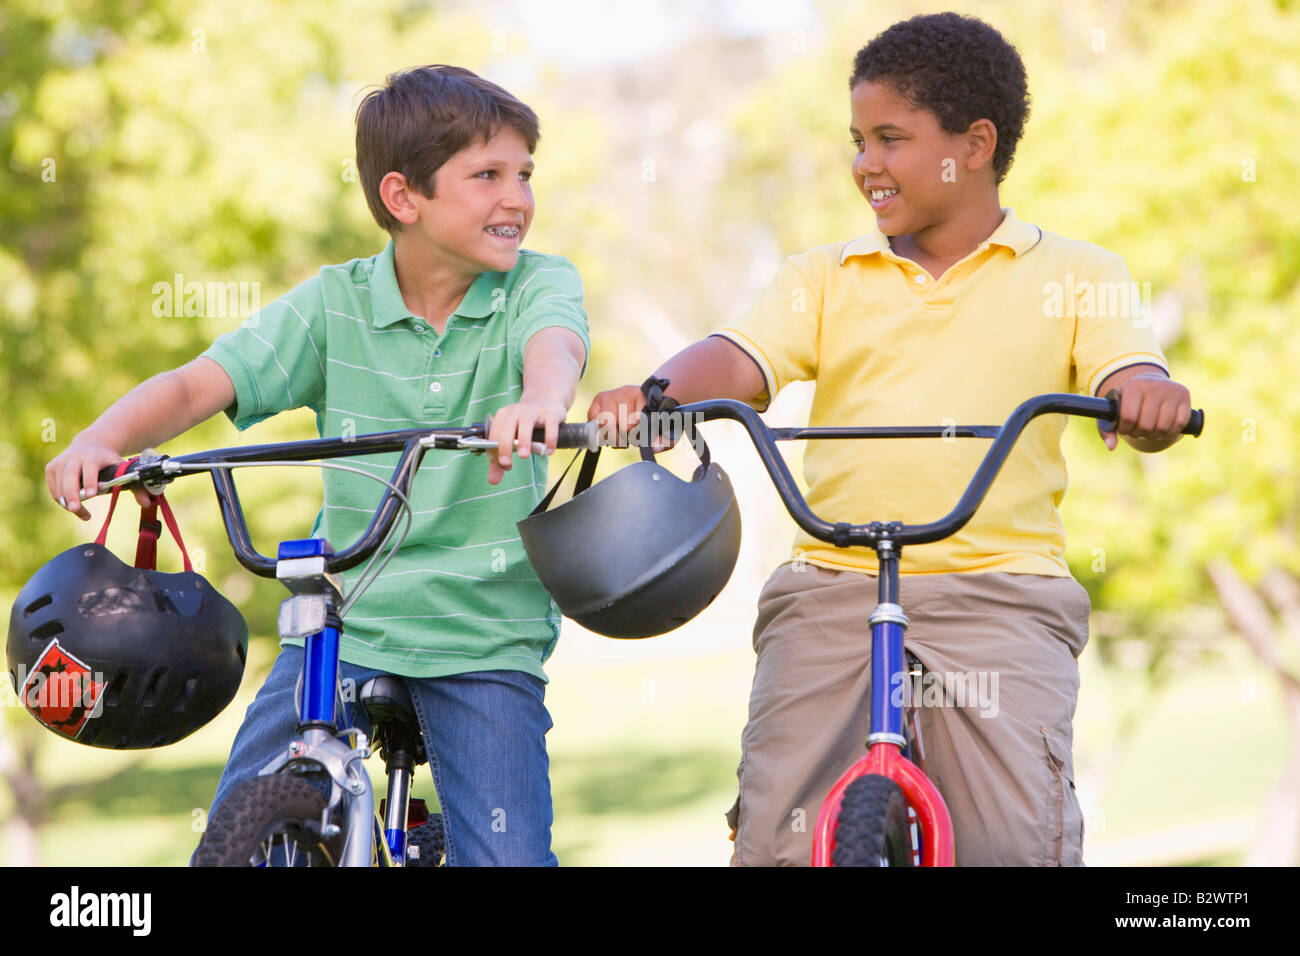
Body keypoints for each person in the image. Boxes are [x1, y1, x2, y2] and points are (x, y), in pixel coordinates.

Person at [587, 13, 1193, 866]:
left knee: (1014, 841)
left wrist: (1146, 398)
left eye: (890, 139)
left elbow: (1127, 373)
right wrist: (657, 393)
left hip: (999, 589)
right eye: (857, 140)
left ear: (974, 144)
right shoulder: (828, 275)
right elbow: (740, 359)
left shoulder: (1078, 274)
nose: (864, 163)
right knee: (775, 834)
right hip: (832, 579)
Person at [45, 65, 589, 866]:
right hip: (347, 617)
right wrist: (101, 437)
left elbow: (557, 344)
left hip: (483, 631)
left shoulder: (537, 285)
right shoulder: (335, 306)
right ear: (405, 199)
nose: (518, 198)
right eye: (488, 176)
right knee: (236, 824)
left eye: (524, 176)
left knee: (506, 855)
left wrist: (541, 400)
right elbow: (200, 382)